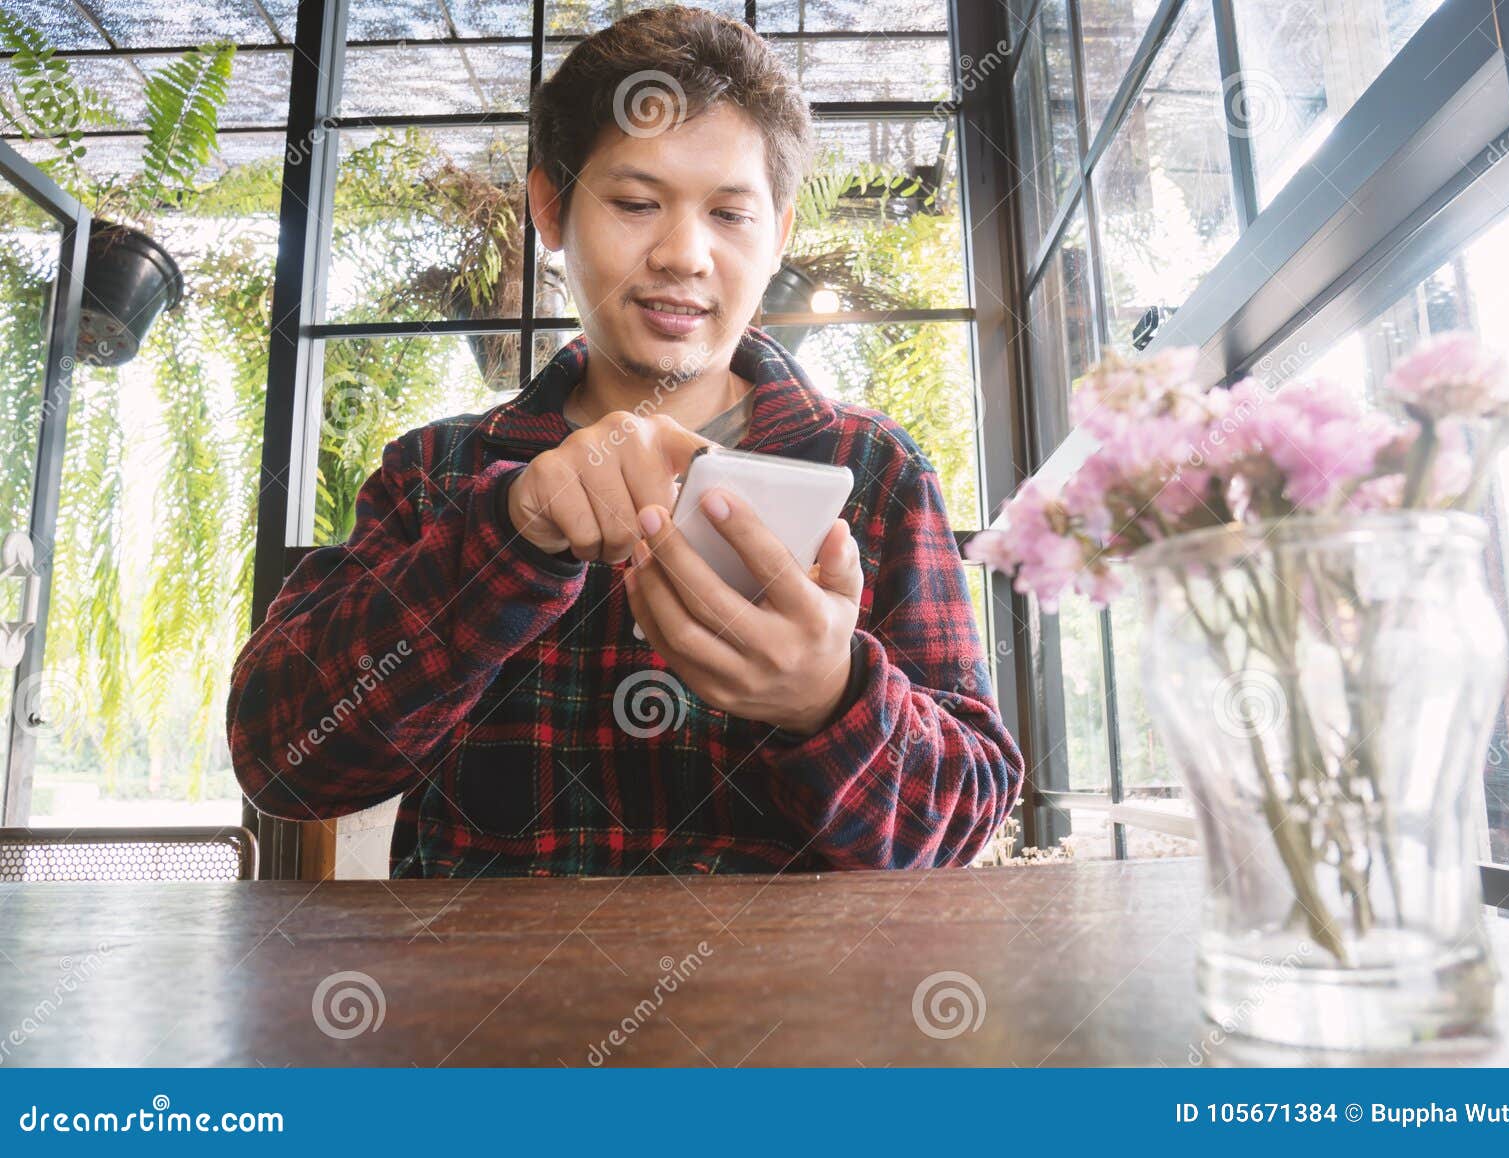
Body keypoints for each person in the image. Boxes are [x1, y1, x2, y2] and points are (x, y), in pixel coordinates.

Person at [227, 5, 1024, 878]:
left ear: (780, 232)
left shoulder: (875, 472)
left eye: (730, 214)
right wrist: (510, 531)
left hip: (792, 1009)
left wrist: (829, 702)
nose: (684, 254)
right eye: (638, 202)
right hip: (484, 1006)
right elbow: (283, 763)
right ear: (551, 207)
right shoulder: (437, 472)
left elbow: (964, 825)